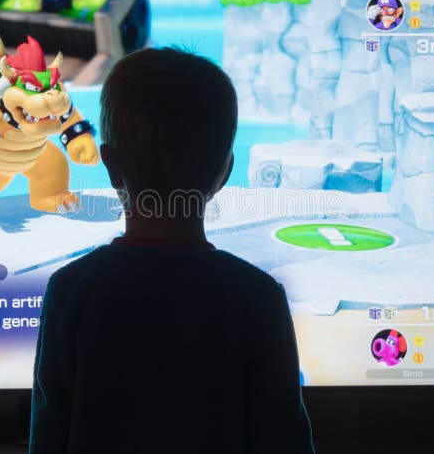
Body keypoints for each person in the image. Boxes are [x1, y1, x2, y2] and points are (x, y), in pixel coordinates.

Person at [30, 47, 314, 454]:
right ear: (224, 172)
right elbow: (285, 440)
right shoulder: (258, 297)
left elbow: (49, 437)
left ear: (109, 166)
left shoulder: (71, 290)